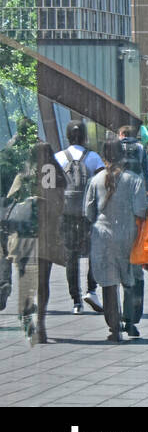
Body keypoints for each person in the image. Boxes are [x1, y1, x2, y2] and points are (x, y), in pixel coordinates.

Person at [84, 141, 148, 341]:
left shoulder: (95, 180)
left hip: (102, 237)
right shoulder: (134, 180)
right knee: (130, 281)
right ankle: (130, 322)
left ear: (104, 157)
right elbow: (140, 210)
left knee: (109, 284)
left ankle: (114, 327)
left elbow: (87, 212)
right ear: (123, 156)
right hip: (128, 235)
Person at [6, 143, 67, 344]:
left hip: (24, 238)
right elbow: (60, 207)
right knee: (43, 283)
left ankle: (27, 320)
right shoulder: (56, 177)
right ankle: (41, 323)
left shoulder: (24, 175)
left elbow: (11, 203)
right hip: (46, 237)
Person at [55, 121, 103, 315]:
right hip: (88, 213)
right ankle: (92, 290)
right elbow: (102, 184)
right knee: (94, 253)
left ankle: (76, 301)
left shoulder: (58, 157)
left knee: (71, 256)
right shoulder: (93, 157)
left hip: (66, 214)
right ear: (84, 136)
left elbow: (53, 187)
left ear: (67, 136)